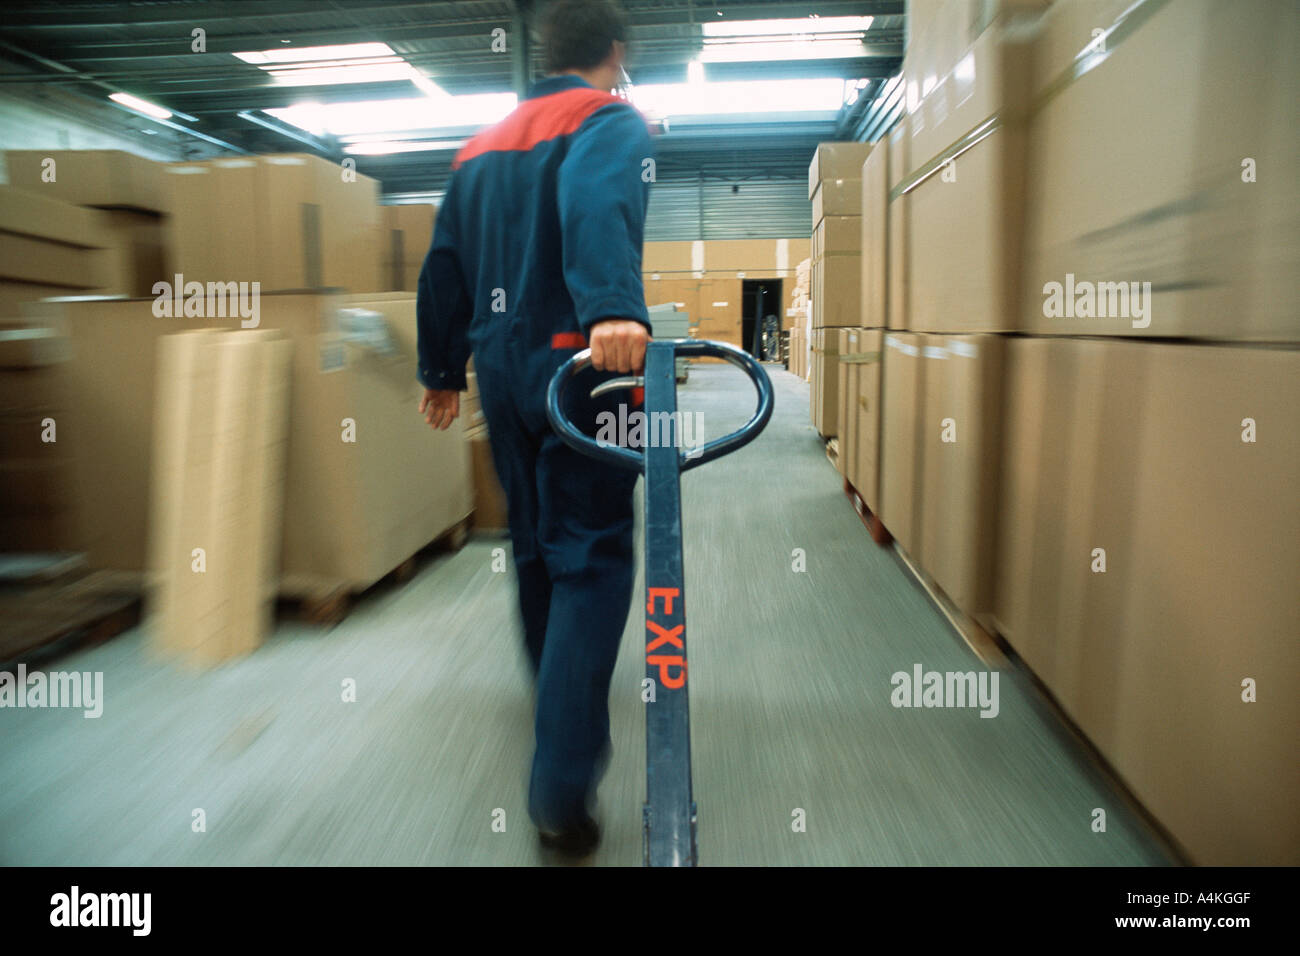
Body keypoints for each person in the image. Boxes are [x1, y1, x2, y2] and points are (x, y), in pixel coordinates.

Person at [414, 0, 653, 859]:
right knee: (591, 556)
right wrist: (614, 309)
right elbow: (595, 204)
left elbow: (443, 262)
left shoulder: (479, 145)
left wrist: (441, 369)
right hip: (584, 369)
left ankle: (556, 696)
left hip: (504, 371)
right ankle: (560, 788)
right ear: (614, 56)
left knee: (534, 548)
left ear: (545, 54)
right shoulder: (608, 118)